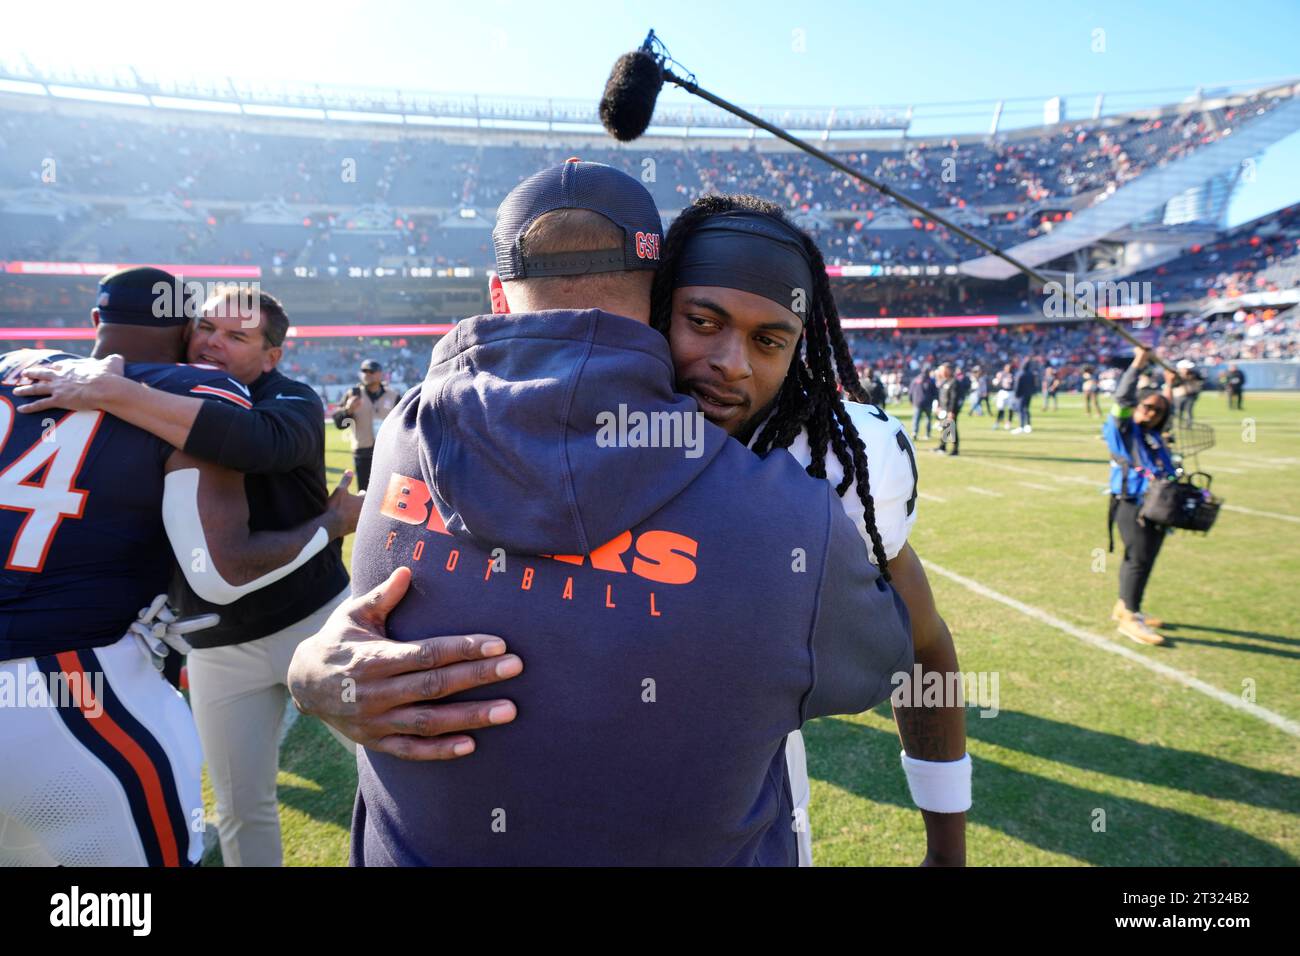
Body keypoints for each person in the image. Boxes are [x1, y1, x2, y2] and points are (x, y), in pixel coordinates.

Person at [294, 186, 971, 867]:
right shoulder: (445, 424)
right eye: (702, 322)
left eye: (769, 341)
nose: (732, 362)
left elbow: (923, 645)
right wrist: (312, 662)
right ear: (646, 313)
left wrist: (946, 845)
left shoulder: (830, 470)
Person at [1, 267, 358, 866]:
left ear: (271, 357)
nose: (215, 342)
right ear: (183, 331)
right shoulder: (165, 387)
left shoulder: (288, 398)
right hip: (211, 637)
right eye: (207, 328)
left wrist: (116, 389)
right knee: (241, 804)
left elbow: (257, 441)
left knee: (395, 762)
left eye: (236, 337)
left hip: (311, 617)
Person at [1104, 348, 1177, 646]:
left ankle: (1125, 605)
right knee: (1138, 558)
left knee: (1144, 558)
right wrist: (1139, 363)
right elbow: (1122, 399)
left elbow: (1164, 408)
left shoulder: (1153, 434)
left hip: (1156, 503)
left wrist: (1169, 385)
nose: (1150, 412)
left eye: (1157, 411)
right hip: (1131, 503)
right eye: (1146, 406)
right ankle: (1131, 617)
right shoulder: (1124, 429)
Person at [333, 359, 398, 491]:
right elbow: (339, 424)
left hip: (387, 452)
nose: (367, 374)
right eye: (364, 371)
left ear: (380, 374)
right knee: (364, 493)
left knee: (387, 492)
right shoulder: (352, 394)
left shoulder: (393, 396)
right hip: (363, 452)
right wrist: (348, 410)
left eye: (371, 371)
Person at [934, 363, 961, 456]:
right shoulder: (944, 381)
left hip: (950, 410)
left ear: (948, 370)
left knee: (952, 429)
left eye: (943, 370)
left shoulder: (954, 382)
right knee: (945, 429)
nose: (941, 372)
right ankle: (942, 446)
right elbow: (941, 396)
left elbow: (954, 398)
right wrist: (939, 407)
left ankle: (955, 449)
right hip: (943, 409)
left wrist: (951, 411)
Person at [908, 368, 937, 441]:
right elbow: (935, 392)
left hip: (917, 402)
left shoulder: (916, 380)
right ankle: (928, 434)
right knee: (928, 418)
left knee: (916, 419)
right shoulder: (931, 381)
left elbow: (910, 392)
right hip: (928, 403)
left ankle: (914, 432)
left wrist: (911, 400)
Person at [1012, 359, 1037, 433]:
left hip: (1021, 394)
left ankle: (1021, 426)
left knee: (1020, 410)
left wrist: (1016, 394)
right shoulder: (1031, 374)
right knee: (1026, 409)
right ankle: (1028, 425)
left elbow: (1017, 385)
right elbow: (1034, 385)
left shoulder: (1020, 374)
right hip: (1028, 394)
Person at [992, 362, 1015, 430]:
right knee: (1000, 408)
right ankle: (997, 422)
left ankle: (1008, 423)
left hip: (1011, 392)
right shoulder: (1001, 374)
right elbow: (996, 382)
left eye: (1009, 367)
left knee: (1010, 409)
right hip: (1002, 392)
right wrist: (996, 382)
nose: (1008, 369)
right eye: (1007, 367)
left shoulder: (1013, 374)